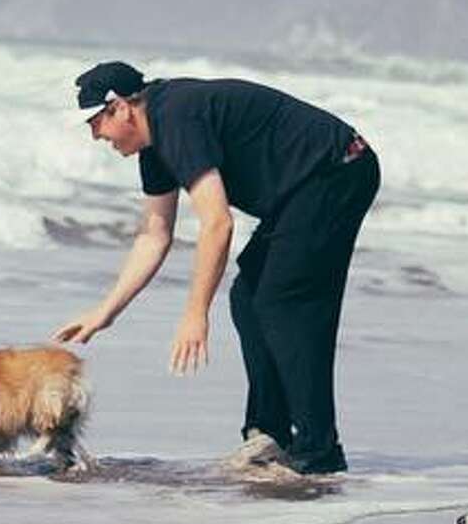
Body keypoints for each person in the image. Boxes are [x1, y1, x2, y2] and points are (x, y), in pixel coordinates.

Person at [57, 62, 379, 476]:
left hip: (338, 170)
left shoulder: (177, 118)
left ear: (121, 108)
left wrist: (196, 314)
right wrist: (106, 312)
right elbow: (154, 235)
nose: (95, 135)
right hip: (305, 185)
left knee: (283, 301)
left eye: (95, 122)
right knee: (249, 298)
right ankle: (271, 435)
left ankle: (319, 453)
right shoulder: (155, 145)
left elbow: (217, 224)